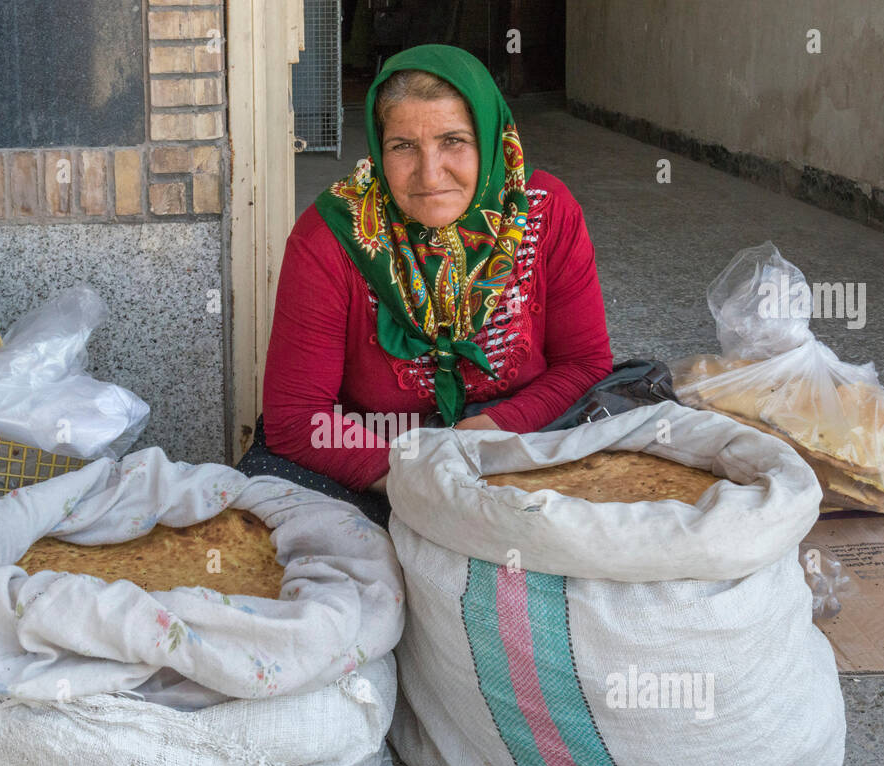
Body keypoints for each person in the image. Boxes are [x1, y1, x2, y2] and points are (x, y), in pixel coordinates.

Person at [237, 44, 613, 526]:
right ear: (377, 146)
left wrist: (485, 436)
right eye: (403, 146)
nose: (430, 174)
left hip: (521, 437)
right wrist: (423, 481)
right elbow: (298, 418)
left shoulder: (547, 213)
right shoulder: (330, 237)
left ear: (492, 138)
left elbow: (584, 363)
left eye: (453, 140)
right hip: (376, 454)